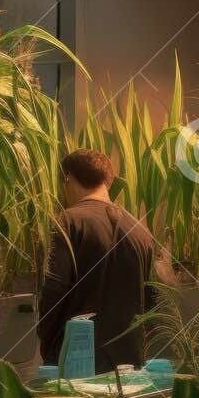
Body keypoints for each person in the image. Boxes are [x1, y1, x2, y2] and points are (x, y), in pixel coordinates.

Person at [38, 149, 163, 372]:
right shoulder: (141, 231)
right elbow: (154, 300)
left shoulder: (67, 222)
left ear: (68, 178)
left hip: (77, 361)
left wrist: (48, 344)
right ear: (108, 180)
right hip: (129, 362)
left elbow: (53, 291)